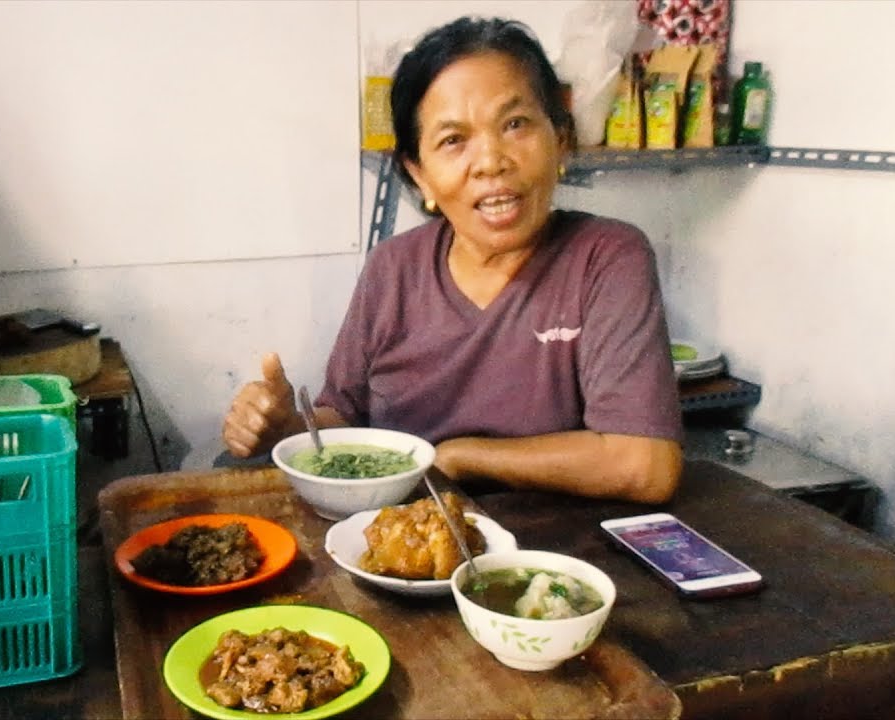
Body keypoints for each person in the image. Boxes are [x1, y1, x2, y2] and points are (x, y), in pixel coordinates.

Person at [222, 16, 683, 503]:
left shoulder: (605, 258)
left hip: (550, 559)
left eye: (515, 124)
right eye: (453, 140)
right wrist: (286, 429)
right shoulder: (393, 269)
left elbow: (644, 464)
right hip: (388, 546)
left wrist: (461, 457)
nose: (491, 161)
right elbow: (344, 419)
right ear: (419, 175)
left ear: (561, 138)